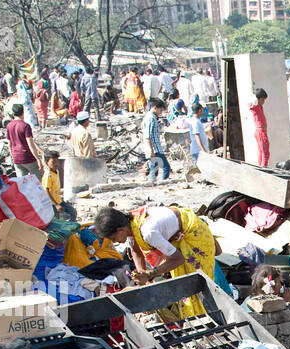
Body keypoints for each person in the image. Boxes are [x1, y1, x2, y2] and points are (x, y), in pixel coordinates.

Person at [93, 205, 221, 319]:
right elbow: (135, 251)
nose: (114, 242)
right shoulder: (130, 224)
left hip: (195, 237)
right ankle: (192, 315)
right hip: (178, 237)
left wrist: (150, 274)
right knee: (183, 284)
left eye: (113, 238)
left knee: (195, 283)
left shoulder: (148, 232)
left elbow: (178, 259)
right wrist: (141, 274)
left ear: (120, 230)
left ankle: (205, 317)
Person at [5, 103, 44, 178]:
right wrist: (38, 159)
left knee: (22, 183)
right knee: (39, 180)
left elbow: (9, 144)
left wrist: (13, 156)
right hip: (28, 157)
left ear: (13, 113)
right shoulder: (25, 126)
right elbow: (30, 144)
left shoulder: (9, 126)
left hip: (17, 158)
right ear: (23, 112)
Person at [143, 97, 170, 181]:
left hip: (153, 148)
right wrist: (151, 150)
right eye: (160, 110)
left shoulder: (149, 117)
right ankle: (163, 183)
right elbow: (148, 136)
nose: (160, 112)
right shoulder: (151, 118)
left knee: (154, 169)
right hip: (155, 149)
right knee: (166, 168)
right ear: (155, 107)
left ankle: (153, 184)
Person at [248, 88, 270, 167]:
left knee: (262, 152)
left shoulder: (259, 107)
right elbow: (250, 105)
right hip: (260, 132)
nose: (264, 101)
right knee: (265, 153)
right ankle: (264, 169)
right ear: (259, 99)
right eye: (263, 99)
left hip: (262, 132)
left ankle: (262, 167)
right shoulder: (255, 106)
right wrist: (255, 99)